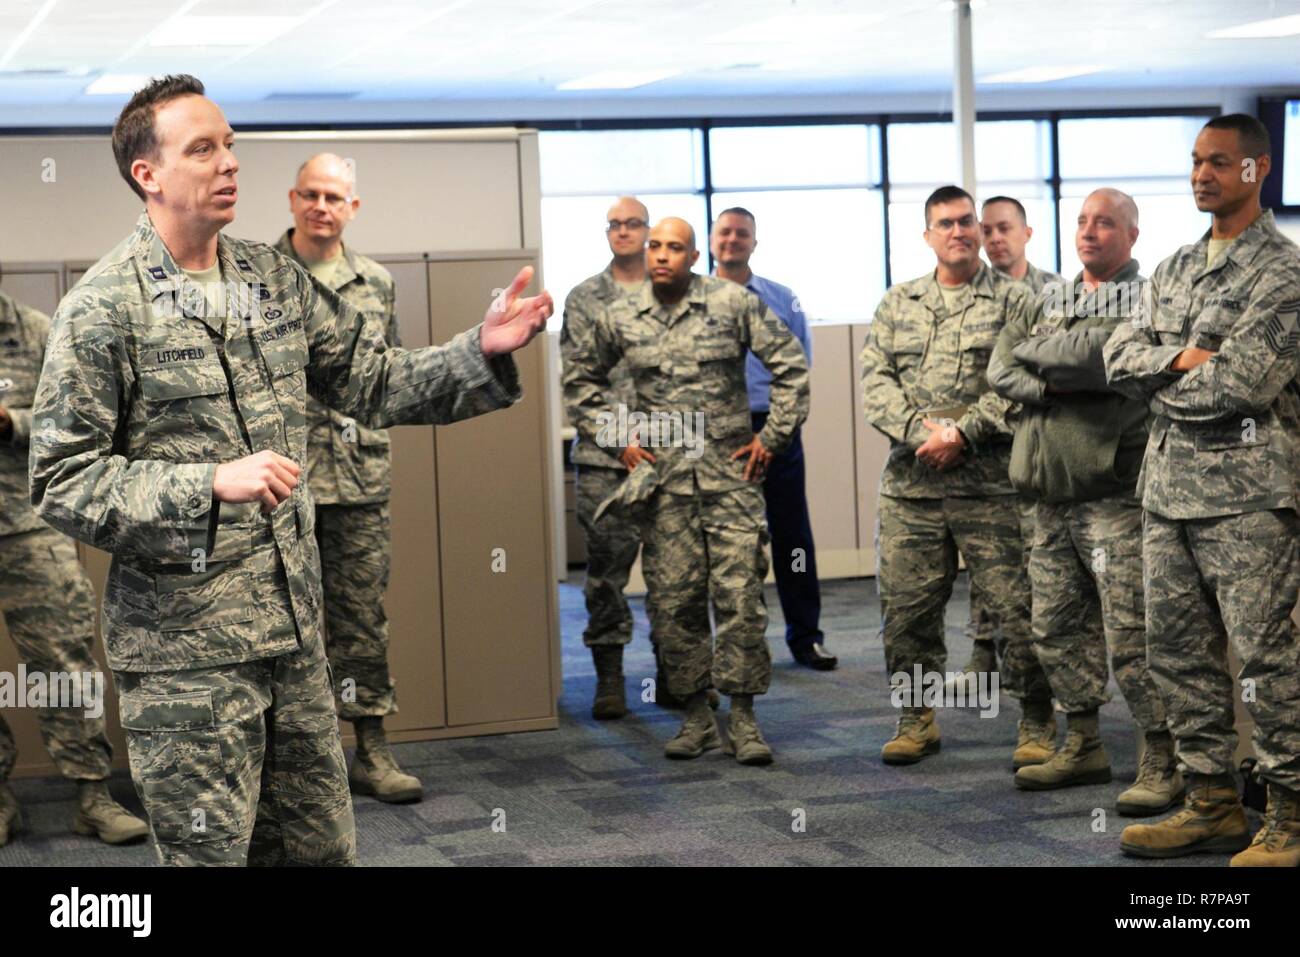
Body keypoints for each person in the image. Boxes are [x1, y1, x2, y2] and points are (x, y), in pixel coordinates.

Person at [27, 74, 551, 866]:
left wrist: (478, 352)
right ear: (149, 173)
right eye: (203, 148)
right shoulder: (103, 306)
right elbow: (61, 478)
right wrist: (203, 481)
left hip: (295, 639)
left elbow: (371, 380)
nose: (230, 162)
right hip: (187, 661)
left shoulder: (270, 280)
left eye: (231, 144)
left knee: (319, 851)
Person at [1105, 114, 1300, 866]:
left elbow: (1244, 384)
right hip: (1165, 493)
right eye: (1194, 161)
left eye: (1219, 162)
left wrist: (1168, 377)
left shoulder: (1283, 273)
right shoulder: (1173, 267)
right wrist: (1180, 363)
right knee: (1176, 655)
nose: (1201, 174)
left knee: (1264, 660)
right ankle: (1212, 800)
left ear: (1257, 170)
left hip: (1249, 498)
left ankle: (1287, 810)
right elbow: (1119, 356)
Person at [563, 217, 809, 764]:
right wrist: (619, 440)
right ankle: (697, 716)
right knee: (674, 604)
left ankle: (743, 719)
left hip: (731, 480)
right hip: (666, 485)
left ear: (694, 256)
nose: (662, 256)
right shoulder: (619, 315)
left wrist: (772, 438)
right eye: (655, 246)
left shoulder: (731, 303)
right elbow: (580, 382)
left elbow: (791, 367)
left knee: (741, 599)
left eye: (675, 248)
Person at [988, 188, 1180, 816]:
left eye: (1104, 222)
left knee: (1131, 635)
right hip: (1046, 497)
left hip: (1111, 498)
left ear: (1131, 233)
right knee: (1055, 627)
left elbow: (1101, 360)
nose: (1089, 231)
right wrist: (1053, 380)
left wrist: (1044, 364)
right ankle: (1084, 742)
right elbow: (999, 368)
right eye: (1082, 221)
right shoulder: (1052, 296)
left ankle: (1161, 756)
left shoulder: (1146, 296)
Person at [861, 184, 1055, 767]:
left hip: (991, 484)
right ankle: (915, 718)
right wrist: (925, 436)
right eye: (944, 223)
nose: (959, 232)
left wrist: (964, 433)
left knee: (1017, 608)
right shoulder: (898, 303)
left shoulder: (1017, 299)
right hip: (911, 488)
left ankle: (1037, 720)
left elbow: (1023, 382)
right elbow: (875, 385)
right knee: (907, 609)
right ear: (927, 236)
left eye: (967, 221)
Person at [274, 153, 419, 803]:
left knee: (361, 618)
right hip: (282, 480)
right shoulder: (258, 278)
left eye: (335, 196)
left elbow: (385, 377)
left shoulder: (377, 282)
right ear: (292, 199)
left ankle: (371, 745)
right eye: (311, 194)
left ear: (352, 207)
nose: (321, 206)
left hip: (359, 478)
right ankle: (296, 756)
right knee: (284, 621)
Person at [0, 288, 149, 848]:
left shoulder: (38, 330)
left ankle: (92, 796)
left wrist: (10, 421)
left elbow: (83, 419)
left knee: (62, 661)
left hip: (29, 522)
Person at [711, 207, 836, 671]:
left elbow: (798, 372)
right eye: (725, 232)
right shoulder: (690, 299)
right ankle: (727, 646)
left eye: (742, 233)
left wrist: (774, 434)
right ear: (711, 240)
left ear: (754, 243)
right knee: (719, 544)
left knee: (793, 538)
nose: (733, 239)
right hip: (716, 437)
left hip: (775, 431)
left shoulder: (783, 300)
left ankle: (806, 638)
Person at [955, 196, 1065, 683]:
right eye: (987, 230)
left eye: (1005, 229)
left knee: (1037, 560)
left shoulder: (1057, 293)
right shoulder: (969, 293)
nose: (995, 239)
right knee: (988, 563)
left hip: (1037, 448)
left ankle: (1040, 663)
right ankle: (983, 652)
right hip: (981, 449)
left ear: (1027, 233)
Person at [562, 196, 658, 718]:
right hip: (608, 464)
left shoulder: (676, 290)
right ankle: (610, 678)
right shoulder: (584, 298)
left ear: (648, 230)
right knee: (606, 578)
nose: (624, 232)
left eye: (634, 223)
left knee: (679, 578)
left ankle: (680, 676)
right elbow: (578, 385)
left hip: (669, 460)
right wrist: (621, 441)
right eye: (615, 225)